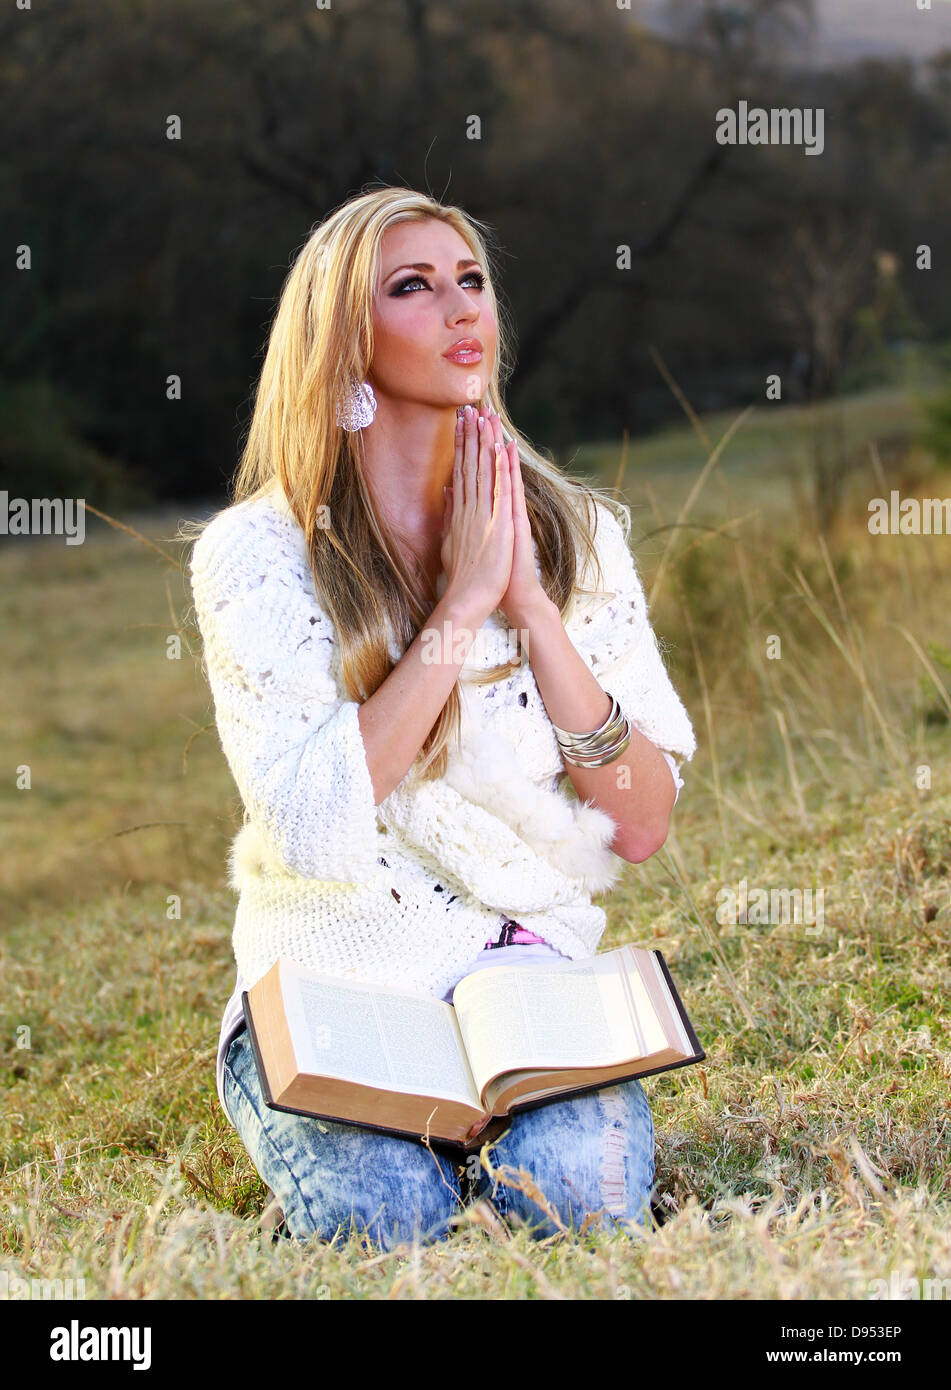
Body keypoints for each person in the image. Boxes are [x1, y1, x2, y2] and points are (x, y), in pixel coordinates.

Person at [183, 185, 697, 1252]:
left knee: (582, 1207)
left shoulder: (580, 533)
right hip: (336, 983)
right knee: (386, 1225)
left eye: (472, 281)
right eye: (414, 288)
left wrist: (531, 609)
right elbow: (315, 820)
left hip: (524, 980)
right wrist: (459, 608)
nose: (464, 309)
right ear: (342, 345)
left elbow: (641, 825)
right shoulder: (258, 555)